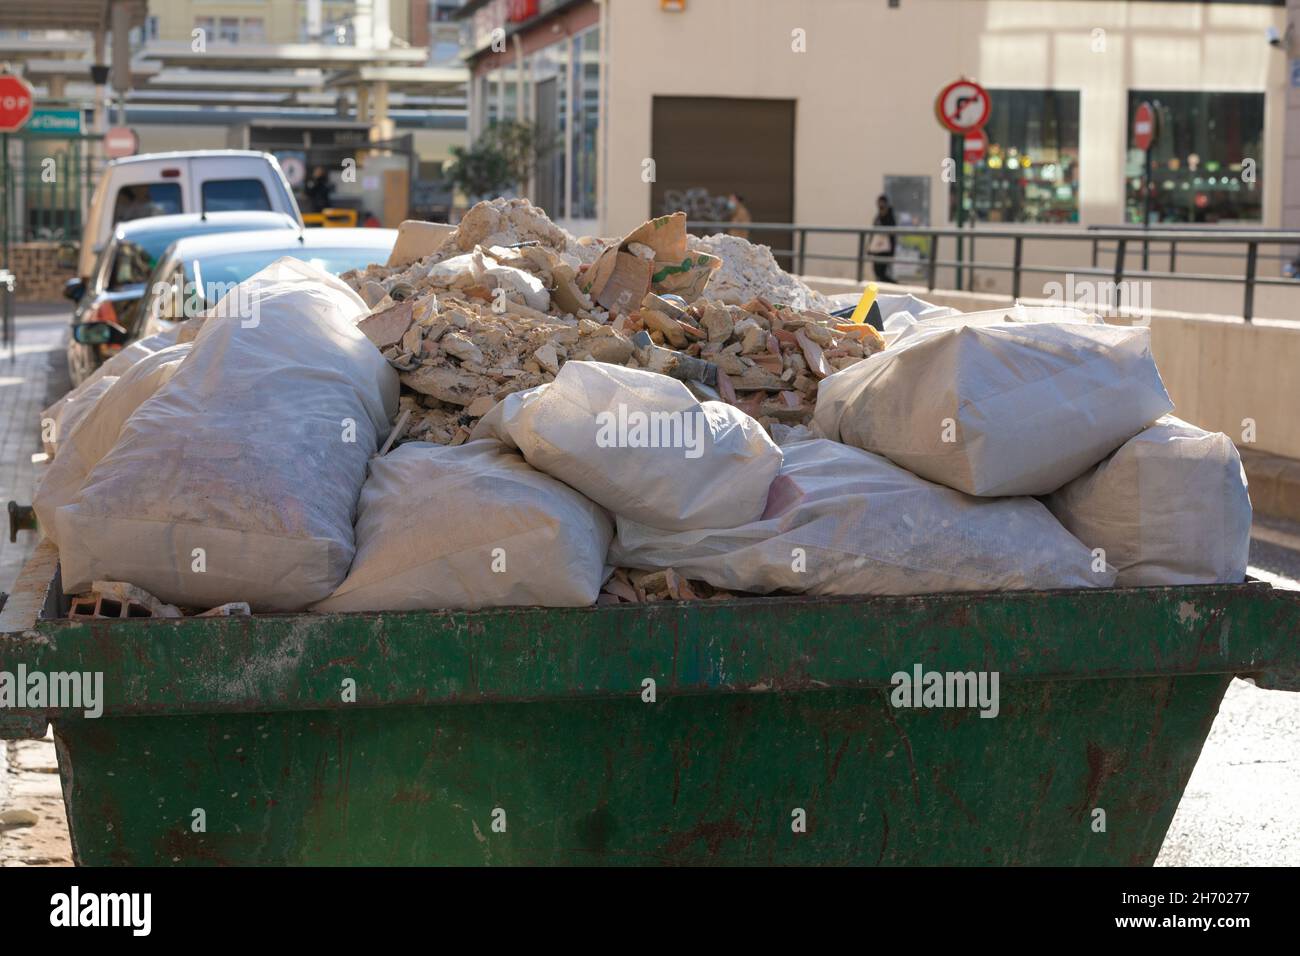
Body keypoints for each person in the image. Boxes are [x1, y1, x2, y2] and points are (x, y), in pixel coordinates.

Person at [870, 194, 897, 283]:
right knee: (877, 271)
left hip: (886, 250)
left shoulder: (890, 216)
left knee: (883, 273)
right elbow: (873, 232)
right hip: (877, 249)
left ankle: (894, 284)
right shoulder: (878, 216)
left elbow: (892, 231)